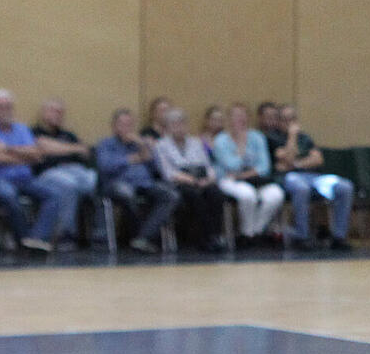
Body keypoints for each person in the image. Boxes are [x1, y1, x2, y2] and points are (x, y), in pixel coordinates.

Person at [0, 89, 79, 254]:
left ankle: (37, 238)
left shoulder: (21, 129)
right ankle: (24, 238)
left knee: (54, 195)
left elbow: (37, 155)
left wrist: (7, 148)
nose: (5, 110)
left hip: (24, 178)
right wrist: (24, 156)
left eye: (8, 106)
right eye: (0, 107)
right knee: (9, 196)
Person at [269, 102, 353, 251]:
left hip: (313, 176)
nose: (290, 123)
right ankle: (302, 236)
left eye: (292, 118)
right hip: (289, 177)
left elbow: (318, 159)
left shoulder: (306, 138)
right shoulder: (273, 137)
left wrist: (296, 164)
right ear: (279, 121)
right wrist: (292, 137)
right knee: (301, 188)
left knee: (344, 186)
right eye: (286, 119)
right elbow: (287, 158)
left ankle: (339, 237)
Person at [94, 108, 178, 253]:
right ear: (114, 126)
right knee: (126, 193)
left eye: (129, 124)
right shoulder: (106, 144)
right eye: (122, 124)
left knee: (171, 195)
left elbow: (156, 168)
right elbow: (105, 166)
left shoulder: (139, 143)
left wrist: (145, 147)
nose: (126, 128)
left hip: (145, 184)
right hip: (117, 184)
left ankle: (142, 237)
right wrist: (133, 159)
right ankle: (135, 235)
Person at [211, 102, 286, 247]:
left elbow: (264, 167)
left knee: (276, 194)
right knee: (247, 195)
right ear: (229, 119)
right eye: (236, 116)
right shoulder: (221, 140)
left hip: (254, 179)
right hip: (228, 180)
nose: (241, 120)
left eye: (243, 116)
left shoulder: (257, 137)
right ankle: (246, 233)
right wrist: (240, 146)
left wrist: (244, 175)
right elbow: (230, 165)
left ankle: (254, 232)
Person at [152, 107, 226, 251]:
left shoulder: (196, 142)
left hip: (201, 179)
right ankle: (205, 237)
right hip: (178, 182)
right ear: (168, 127)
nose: (179, 128)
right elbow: (167, 172)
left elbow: (207, 165)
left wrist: (209, 178)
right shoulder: (161, 145)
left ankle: (215, 235)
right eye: (175, 124)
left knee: (215, 194)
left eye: (182, 123)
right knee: (194, 195)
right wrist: (191, 180)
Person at [31, 98, 100, 243]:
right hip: (48, 172)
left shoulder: (68, 135)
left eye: (60, 112)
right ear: (44, 113)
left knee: (94, 180)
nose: (58, 115)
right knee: (69, 186)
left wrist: (58, 149)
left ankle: (98, 233)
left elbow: (86, 152)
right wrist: (73, 149)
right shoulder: (34, 131)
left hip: (74, 170)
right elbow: (43, 147)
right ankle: (65, 233)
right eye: (54, 111)